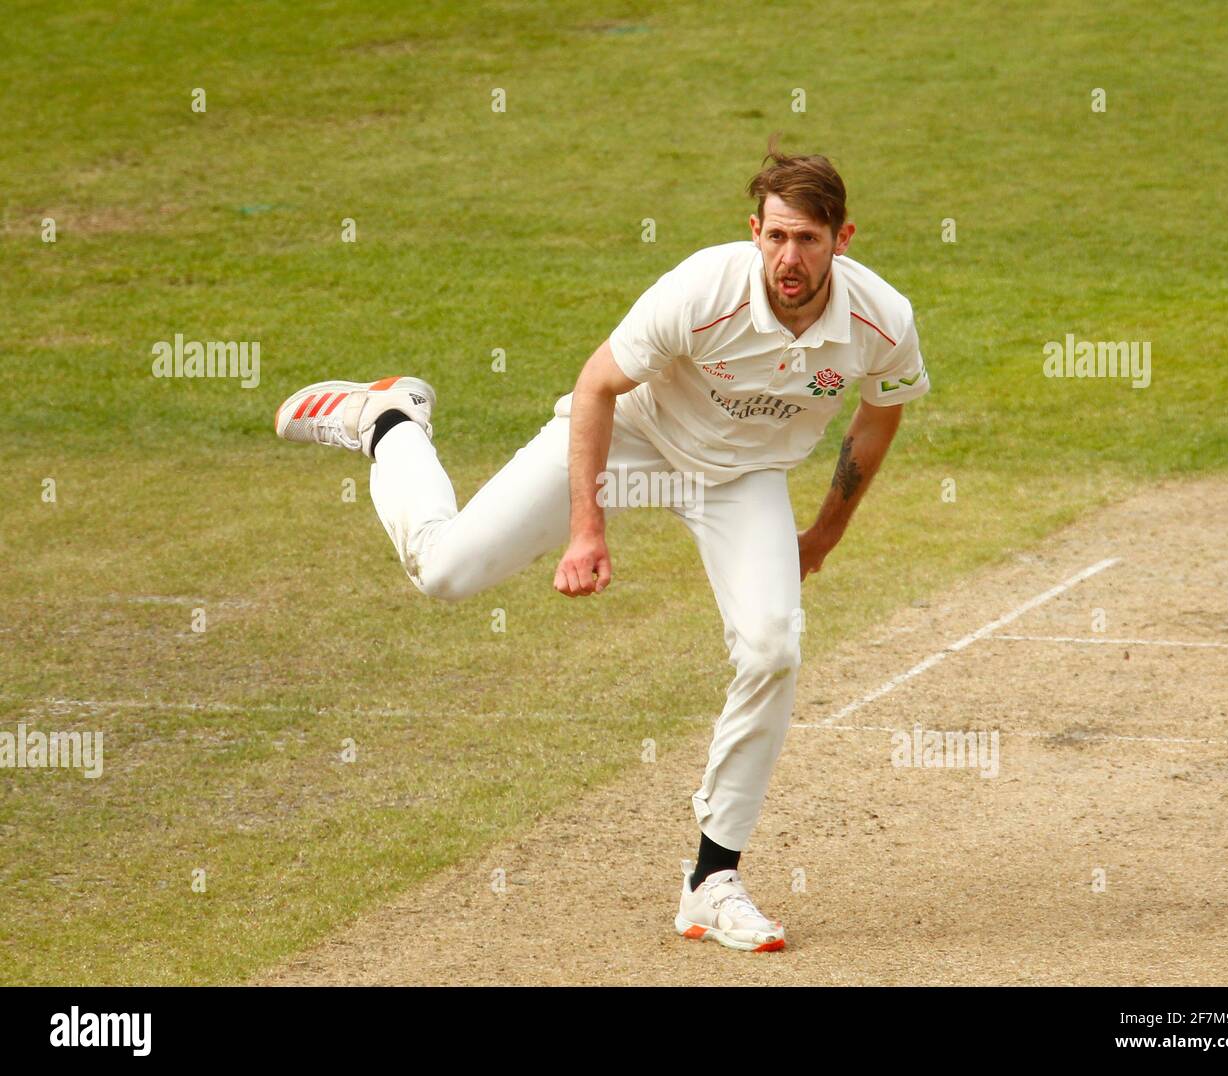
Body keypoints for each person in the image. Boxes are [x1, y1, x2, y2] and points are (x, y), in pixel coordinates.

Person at [273, 145, 930, 952]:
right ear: (753, 231)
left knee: (772, 649)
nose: (789, 259)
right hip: (634, 439)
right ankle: (389, 423)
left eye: (810, 241)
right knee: (444, 572)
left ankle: (711, 882)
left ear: (844, 239)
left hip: (740, 477)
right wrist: (588, 528)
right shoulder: (700, 291)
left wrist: (821, 538)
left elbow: (878, 415)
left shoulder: (881, 320)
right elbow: (597, 387)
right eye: (777, 237)